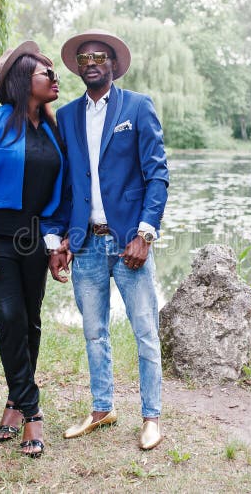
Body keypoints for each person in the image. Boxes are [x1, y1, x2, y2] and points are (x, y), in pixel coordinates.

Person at [47, 28, 169, 450]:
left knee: (145, 331)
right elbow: (66, 186)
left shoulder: (137, 107)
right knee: (94, 332)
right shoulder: (66, 117)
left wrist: (145, 234)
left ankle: (151, 417)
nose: (92, 63)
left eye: (99, 56)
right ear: (78, 68)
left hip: (129, 243)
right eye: (84, 59)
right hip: (86, 245)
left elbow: (157, 176)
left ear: (114, 64)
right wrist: (57, 240)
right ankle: (102, 408)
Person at [0, 40, 67, 457]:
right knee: (9, 318)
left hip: (35, 240)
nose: (56, 79)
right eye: (47, 73)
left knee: (31, 322)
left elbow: (62, 194)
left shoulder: (55, 133)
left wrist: (56, 243)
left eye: (55, 73)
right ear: (23, 81)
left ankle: (14, 401)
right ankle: (33, 413)